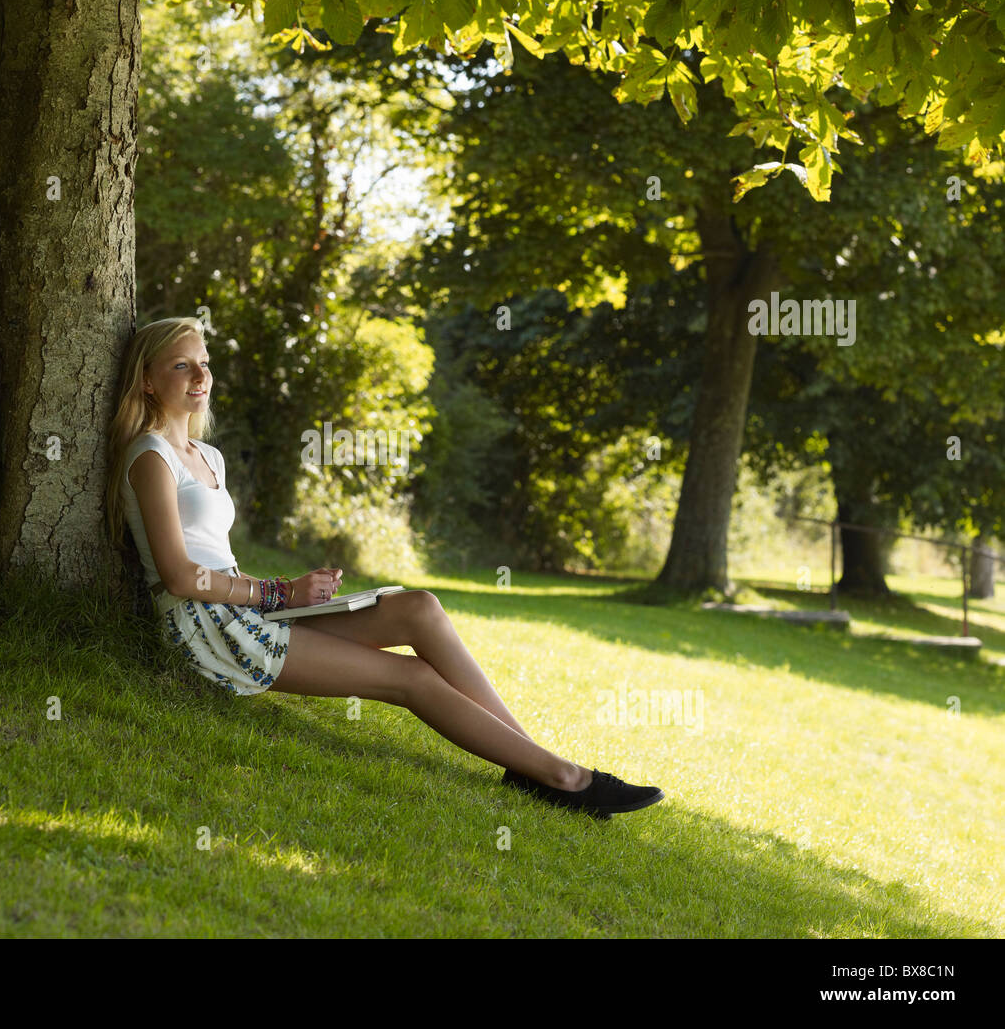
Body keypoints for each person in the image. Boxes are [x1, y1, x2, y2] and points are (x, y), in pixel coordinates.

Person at [105, 316, 664, 819]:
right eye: (182, 365)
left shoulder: (210, 457)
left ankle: (531, 767)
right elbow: (180, 576)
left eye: (204, 363)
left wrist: (294, 597)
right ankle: (565, 778)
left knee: (417, 609)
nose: (199, 375)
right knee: (411, 679)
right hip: (208, 628)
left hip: (247, 609)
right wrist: (278, 592)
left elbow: (215, 556)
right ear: (149, 380)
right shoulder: (149, 456)